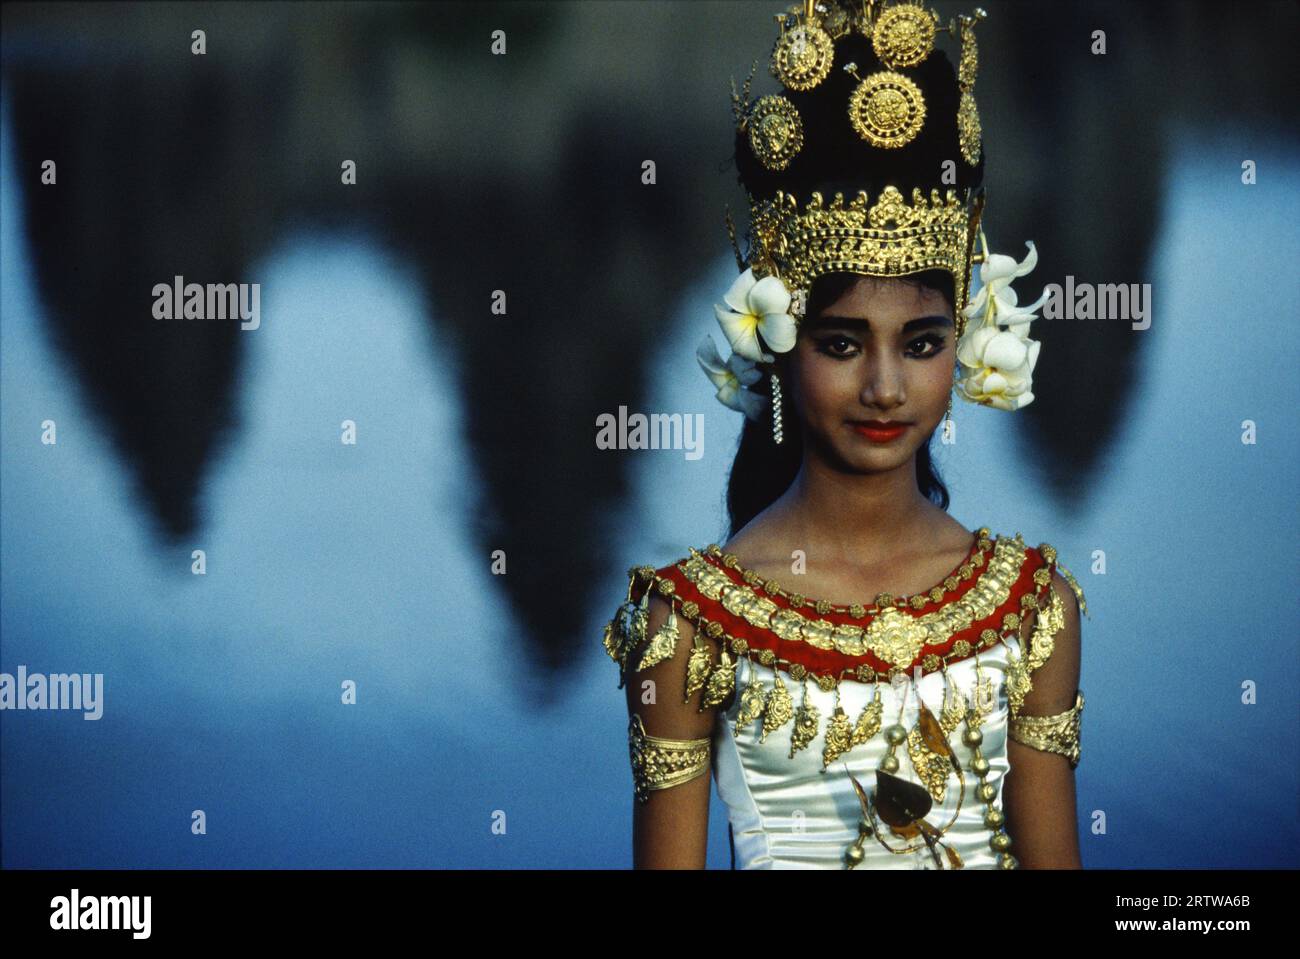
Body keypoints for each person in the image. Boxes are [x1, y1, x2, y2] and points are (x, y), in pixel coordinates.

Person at [603, 0, 1088, 869]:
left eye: (923, 343)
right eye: (840, 342)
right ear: (782, 345)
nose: (885, 386)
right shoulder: (690, 628)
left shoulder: (1031, 609)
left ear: (967, 343)